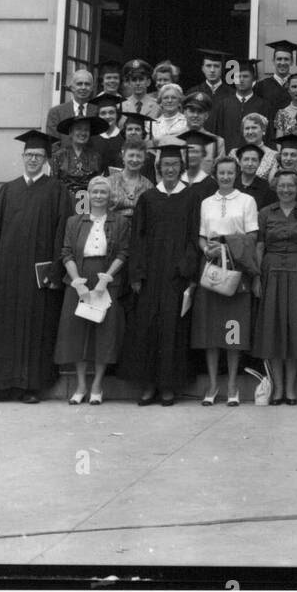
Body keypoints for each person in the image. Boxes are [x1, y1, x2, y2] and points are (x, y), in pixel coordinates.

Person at [0, 130, 70, 404]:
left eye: (38, 156)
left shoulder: (57, 191)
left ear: (46, 159)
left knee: (35, 327)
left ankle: (30, 387)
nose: (32, 159)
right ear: (22, 156)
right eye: (29, 155)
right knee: (3, 326)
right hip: (7, 271)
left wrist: (55, 270)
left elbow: (61, 233)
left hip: (37, 273)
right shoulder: (8, 189)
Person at [120, 140, 199, 406]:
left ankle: (168, 387)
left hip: (175, 276)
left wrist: (186, 270)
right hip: (150, 275)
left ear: (181, 167)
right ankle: (148, 385)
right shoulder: (148, 198)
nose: (170, 169)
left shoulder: (190, 197)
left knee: (172, 330)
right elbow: (137, 238)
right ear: (159, 167)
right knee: (147, 329)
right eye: (166, 164)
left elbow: (193, 237)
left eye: (175, 165)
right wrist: (136, 275)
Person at [56, 175, 129, 405]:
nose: (98, 196)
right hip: (79, 278)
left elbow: (123, 253)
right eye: (95, 192)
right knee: (78, 333)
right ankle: (80, 385)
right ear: (88, 194)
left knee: (103, 333)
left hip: (106, 278)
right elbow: (66, 252)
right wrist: (78, 281)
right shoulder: (74, 222)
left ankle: (97, 385)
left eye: (103, 192)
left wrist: (104, 281)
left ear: (110, 196)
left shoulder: (120, 222)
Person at [193, 156, 259, 407]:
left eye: (230, 173)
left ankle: (232, 384)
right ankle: (212, 385)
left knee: (234, 329)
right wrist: (206, 250)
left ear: (237, 173)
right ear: (215, 175)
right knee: (210, 331)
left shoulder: (246, 201)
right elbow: (201, 236)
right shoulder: (206, 202)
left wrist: (228, 247)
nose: (226, 177)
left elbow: (252, 235)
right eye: (221, 173)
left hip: (235, 266)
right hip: (211, 266)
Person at [253, 168, 297, 405]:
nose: (285, 190)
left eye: (290, 186)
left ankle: (290, 389)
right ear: (275, 188)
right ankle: (278, 388)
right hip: (271, 272)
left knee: (295, 330)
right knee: (273, 331)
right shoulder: (265, 213)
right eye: (281, 186)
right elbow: (259, 246)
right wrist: (256, 278)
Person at [209, 60, 276, 145]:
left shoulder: (264, 106)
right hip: (228, 155)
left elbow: (268, 136)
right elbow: (216, 134)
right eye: (238, 77)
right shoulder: (223, 105)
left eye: (245, 76)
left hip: (254, 155)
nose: (241, 80)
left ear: (253, 79)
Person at [51, 114, 106, 203]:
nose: (83, 133)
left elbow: (99, 184)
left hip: (89, 203)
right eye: (79, 129)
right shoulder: (59, 156)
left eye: (86, 130)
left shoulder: (96, 157)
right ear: (71, 132)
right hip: (64, 202)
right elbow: (53, 184)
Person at [107, 141, 154, 225]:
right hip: (113, 231)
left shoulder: (149, 186)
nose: (135, 160)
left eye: (139, 156)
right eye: (131, 155)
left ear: (144, 160)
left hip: (139, 232)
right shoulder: (109, 182)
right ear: (123, 157)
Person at [46, 68, 97, 135]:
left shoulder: (97, 111)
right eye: (79, 84)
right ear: (72, 87)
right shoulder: (56, 112)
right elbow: (52, 142)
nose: (83, 87)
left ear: (92, 88)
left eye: (87, 84)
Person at [256, 39, 297, 111]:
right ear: (273, 61)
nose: (282, 63)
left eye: (286, 59)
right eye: (279, 59)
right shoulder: (261, 86)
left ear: (292, 62)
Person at [235, 113, 279, 182]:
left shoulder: (274, 155)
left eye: (254, 127)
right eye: (247, 128)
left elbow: (272, 184)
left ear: (263, 130)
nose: (250, 132)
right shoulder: (234, 153)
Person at [235, 144, 278, 210]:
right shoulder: (231, 184)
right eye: (246, 159)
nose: (250, 164)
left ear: (259, 163)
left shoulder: (266, 188)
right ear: (239, 162)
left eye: (254, 160)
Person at [90, 92, 126, 170]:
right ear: (98, 116)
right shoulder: (91, 139)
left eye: (111, 112)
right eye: (103, 113)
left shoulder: (124, 137)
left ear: (117, 115)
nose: (107, 116)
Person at [180, 130, 218, 201]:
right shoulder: (176, 181)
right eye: (189, 152)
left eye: (196, 152)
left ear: (203, 155)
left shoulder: (212, 185)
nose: (191, 155)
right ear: (184, 154)